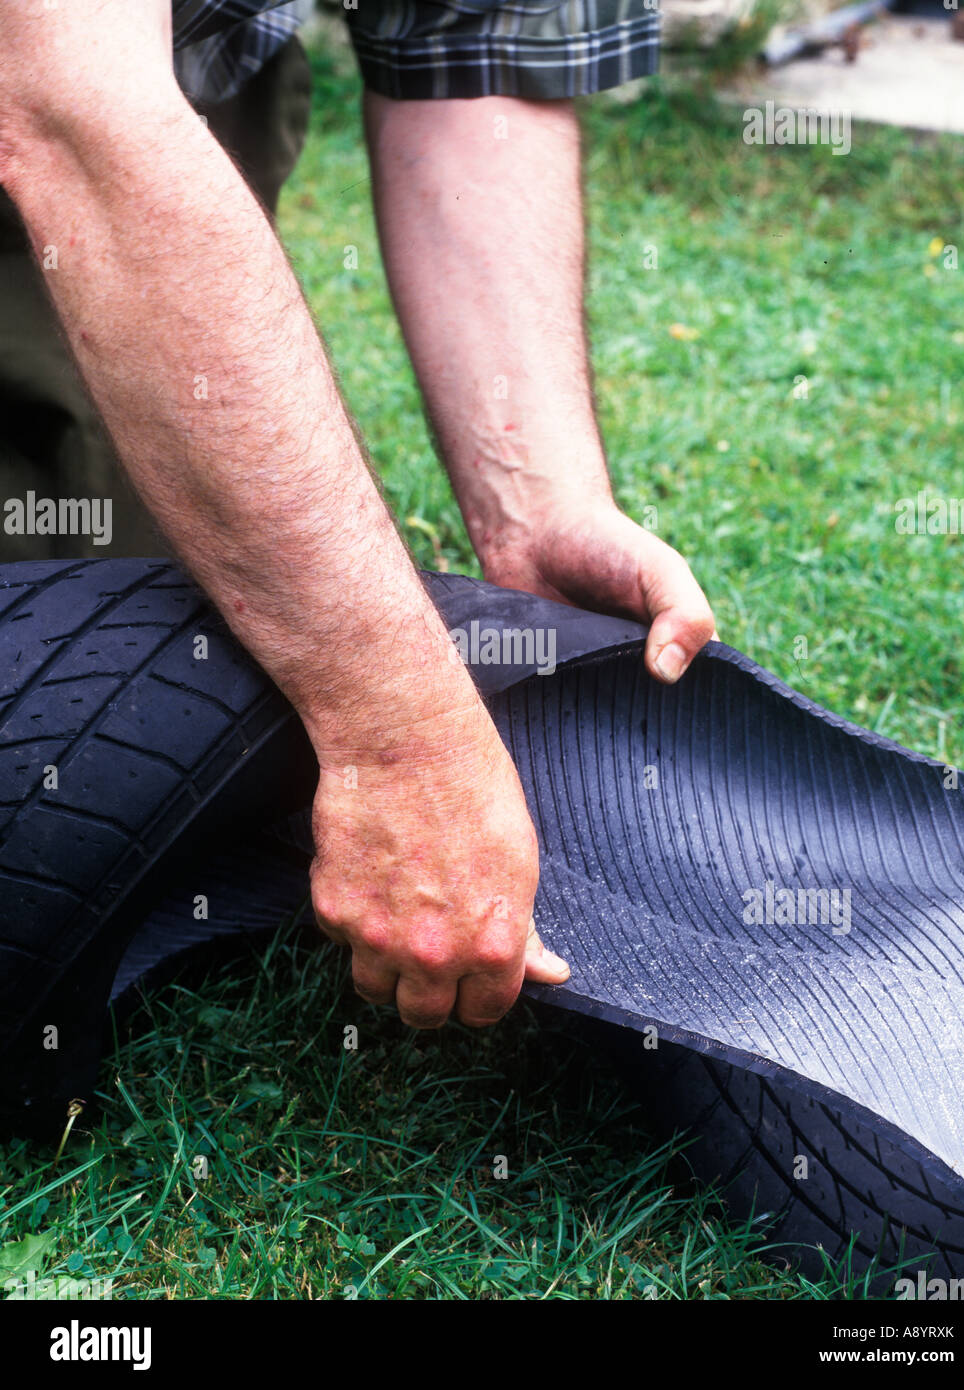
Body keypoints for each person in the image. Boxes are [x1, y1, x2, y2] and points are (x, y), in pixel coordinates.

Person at [0, 0, 715, 1033]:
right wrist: (396, 734)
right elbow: (71, 111)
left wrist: (540, 505)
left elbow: (472, 51)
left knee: (160, 679)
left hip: (176, 71)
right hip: (72, 82)